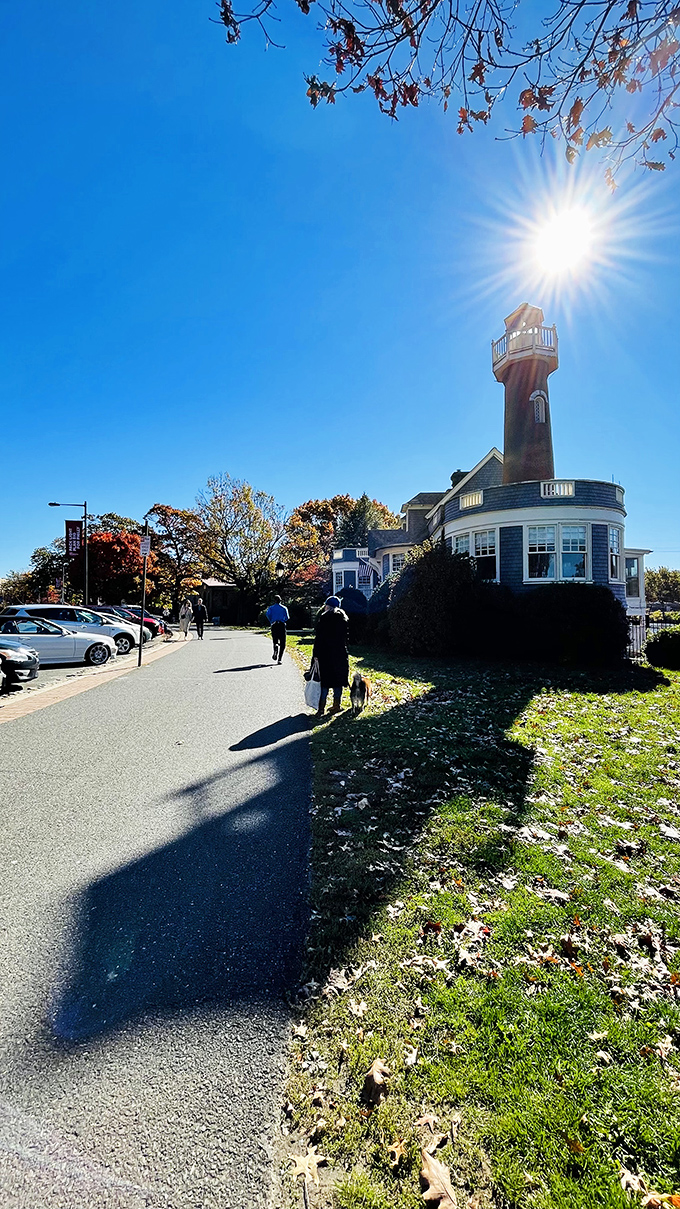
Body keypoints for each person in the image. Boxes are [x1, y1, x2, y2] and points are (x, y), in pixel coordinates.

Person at [312, 596, 349, 716]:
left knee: (325, 682)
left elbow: (319, 638)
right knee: (338, 680)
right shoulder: (343, 618)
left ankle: (321, 708)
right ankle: (336, 705)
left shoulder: (324, 618)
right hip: (339, 653)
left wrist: (316, 654)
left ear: (328, 605)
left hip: (324, 653)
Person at [266, 595, 289, 664]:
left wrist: (271, 621)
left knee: (275, 640)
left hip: (274, 625)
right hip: (281, 625)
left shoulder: (271, 608)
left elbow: (268, 615)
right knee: (282, 642)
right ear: (280, 600)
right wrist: (283, 620)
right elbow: (287, 617)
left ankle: (275, 648)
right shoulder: (284, 608)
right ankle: (279, 659)